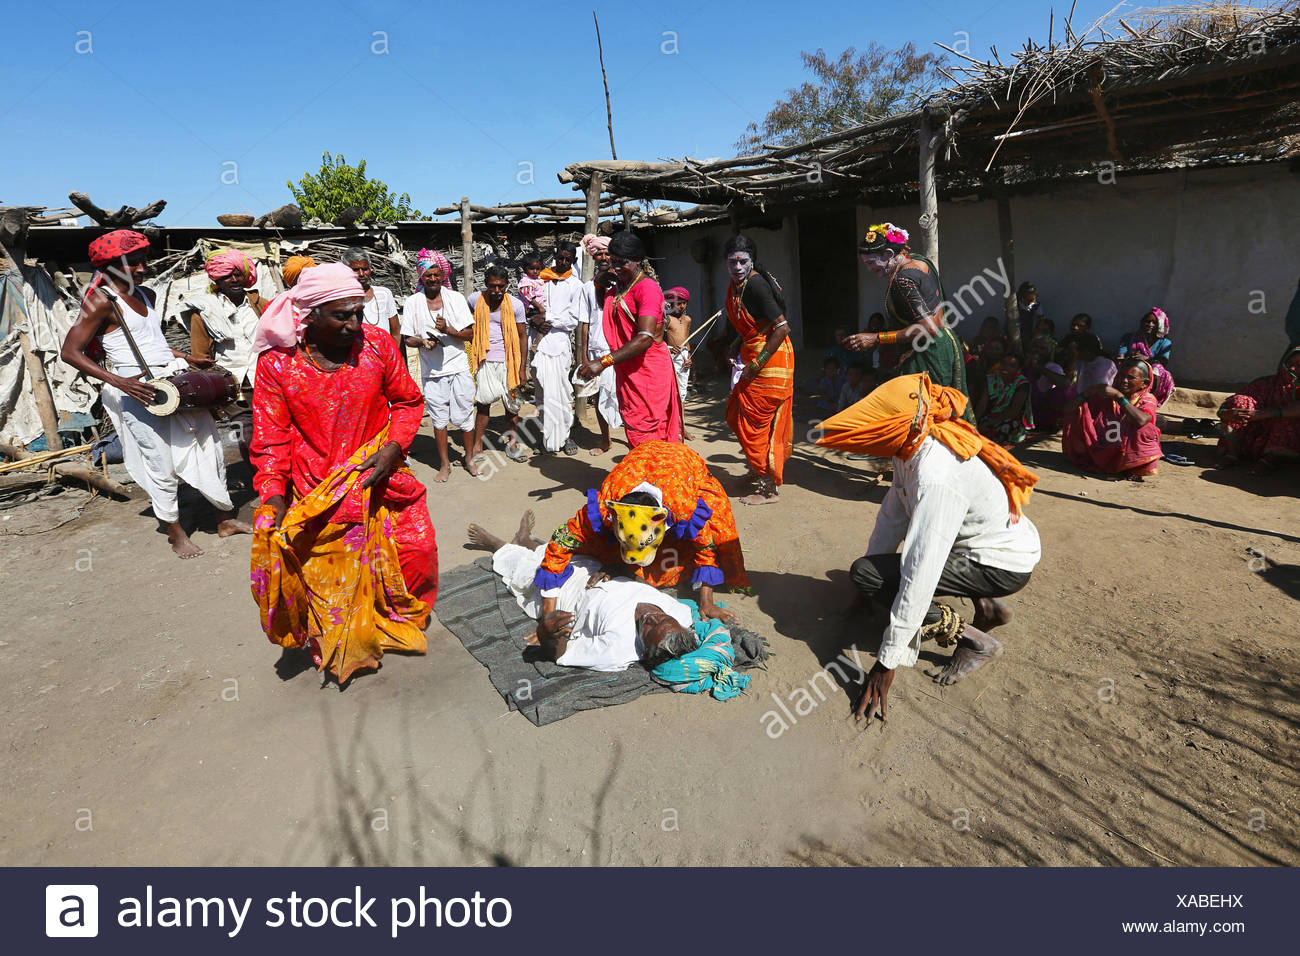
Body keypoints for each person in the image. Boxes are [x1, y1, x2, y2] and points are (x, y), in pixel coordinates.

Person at [249, 262, 435, 686]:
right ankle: (349, 649)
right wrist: (274, 493)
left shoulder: (379, 346)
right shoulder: (277, 365)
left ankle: (388, 621)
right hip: (320, 491)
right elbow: (270, 437)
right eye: (341, 315)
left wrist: (392, 448)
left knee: (416, 550)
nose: (355, 323)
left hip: (382, 478)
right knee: (333, 584)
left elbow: (407, 401)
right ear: (309, 317)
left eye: (358, 311)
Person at [816, 373, 1040, 722]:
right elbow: (892, 517)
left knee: (877, 576)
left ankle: (974, 640)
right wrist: (863, 594)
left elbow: (921, 567)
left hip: (1000, 564)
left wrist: (886, 662)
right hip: (981, 546)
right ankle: (988, 606)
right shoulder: (913, 444)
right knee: (869, 574)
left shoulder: (936, 474)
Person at [60, 230, 251, 559]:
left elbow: (153, 345)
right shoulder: (101, 302)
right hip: (137, 392)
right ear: (110, 266)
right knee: (160, 463)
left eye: (142, 260)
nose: (141, 267)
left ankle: (224, 519)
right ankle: (175, 534)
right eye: (132, 263)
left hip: (169, 383)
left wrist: (186, 358)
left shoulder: (146, 294)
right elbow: (70, 352)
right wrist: (121, 383)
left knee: (210, 448)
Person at [533, 440, 748, 624]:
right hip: (640, 460)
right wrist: (548, 613)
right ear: (614, 519)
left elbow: (705, 548)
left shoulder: (684, 506)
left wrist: (707, 603)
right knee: (591, 542)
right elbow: (561, 543)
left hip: (682, 465)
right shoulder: (602, 507)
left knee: (717, 521)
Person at [466, 512, 701, 672]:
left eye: (649, 628)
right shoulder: (681, 615)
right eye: (662, 618)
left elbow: (561, 655)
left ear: (644, 647)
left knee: (528, 571)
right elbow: (643, 586)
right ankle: (526, 540)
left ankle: (497, 546)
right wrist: (615, 569)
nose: (652, 616)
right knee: (561, 555)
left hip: (568, 596)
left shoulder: (617, 650)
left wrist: (548, 634)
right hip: (597, 571)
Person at [845, 222, 974, 422]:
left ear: (889, 254)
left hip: (931, 353)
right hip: (945, 343)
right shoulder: (917, 260)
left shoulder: (902, 281)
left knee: (929, 417)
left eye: (871, 262)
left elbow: (929, 328)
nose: (869, 269)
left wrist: (877, 338)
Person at [575, 231, 680, 447]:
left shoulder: (647, 289)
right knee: (634, 429)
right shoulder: (620, 286)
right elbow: (604, 307)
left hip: (648, 371)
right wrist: (598, 285)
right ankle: (642, 478)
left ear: (638, 261)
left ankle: (654, 478)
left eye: (622, 262)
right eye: (613, 261)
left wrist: (603, 362)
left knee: (650, 433)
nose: (615, 267)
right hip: (628, 368)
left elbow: (645, 338)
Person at [722, 234, 794, 505]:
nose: (737, 267)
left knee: (758, 423)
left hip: (771, 361)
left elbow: (781, 327)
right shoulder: (736, 285)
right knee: (737, 414)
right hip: (753, 354)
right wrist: (736, 342)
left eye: (742, 261)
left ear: (752, 261)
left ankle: (768, 486)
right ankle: (756, 470)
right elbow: (754, 325)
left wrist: (756, 364)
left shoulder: (756, 285)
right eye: (732, 262)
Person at [401, 252, 476, 481]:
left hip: (458, 367)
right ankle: (445, 464)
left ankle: (469, 459)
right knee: (439, 419)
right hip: (432, 372)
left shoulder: (454, 299)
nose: (433, 279)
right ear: (421, 278)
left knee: (465, 415)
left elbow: (470, 333)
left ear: (442, 275)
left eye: (436, 274)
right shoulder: (413, 302)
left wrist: (448, 331)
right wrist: (423, 342)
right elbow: (407, 339)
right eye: (428, 275)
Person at [1061, 356, 1163, 480]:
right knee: (1077, 412)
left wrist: (1119, 397)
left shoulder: (1147, 398)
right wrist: (1086, 393)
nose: (1123, 380)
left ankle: (1130, 467)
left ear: (1144, 383)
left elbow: (1141, 420)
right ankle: (1085, 456)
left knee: (1145, 429)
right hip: (1103, 442)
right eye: (1120, 375)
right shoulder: (1106, 394)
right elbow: (1067, 410)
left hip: (1123, 447)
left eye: (1130, 377)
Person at [467, 265, 529, 464]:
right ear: (485, 284)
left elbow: (521, 337)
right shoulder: (475, 300)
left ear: (506, 285)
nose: (497, 291)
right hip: (485, 360)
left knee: (513, 407)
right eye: (493, 286)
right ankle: (477, 446)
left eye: (501, 286)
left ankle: (512, 444)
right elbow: (468, 326)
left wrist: (521, 369)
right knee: (483, 404)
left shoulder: (516, 305)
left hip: (510, 362)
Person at [183, 248, 265, 390]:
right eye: (227, 276)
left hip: (262, 381)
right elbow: (200, 355)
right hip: (226, 383)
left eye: (238, 275)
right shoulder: (205, 310)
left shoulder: (260, 305)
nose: (234, 280)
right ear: (217, 280)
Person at [530, 242, 583, 456]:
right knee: (542, 390)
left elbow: (573, 319)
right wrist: (535, 320)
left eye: (567, 259)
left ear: (573, 261)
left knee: (562, 391)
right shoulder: (540, 279)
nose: (562, 262)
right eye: (560, 258)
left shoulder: (575, 285)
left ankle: (565, 435)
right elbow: (527, 304)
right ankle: (547, 436)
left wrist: (548, 318)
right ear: (555, 256)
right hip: (538, 344)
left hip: (560, 344)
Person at [1216, 345, 1300, 472]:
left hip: (1286, 439)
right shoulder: (1266, 383)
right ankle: (1231, 454)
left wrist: (1264, 414)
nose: (1292, 368)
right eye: (1290, 363)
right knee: (1240, 402)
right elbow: (1226, 407)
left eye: (1299, 365)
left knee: (1288, 418)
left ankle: (1269, 460)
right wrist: (1227, 413)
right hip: (1254, 433)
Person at [576, 234, 623, 455]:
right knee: (599, 396)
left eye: (606, 253)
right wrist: (584, 356)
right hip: (597, 349)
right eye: (599, 254)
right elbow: (584, 323)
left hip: (621, 349)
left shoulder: (623, 283)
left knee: (625, 395)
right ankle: (606, 440)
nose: (603, 257)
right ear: (593, 258)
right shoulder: (586, 288)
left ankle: (634, 439)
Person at [975, 350, 1034, 446]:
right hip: (991, 417)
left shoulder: (1022, 384)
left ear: (1018, 368)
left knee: (1004, 428)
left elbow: (1014, 411)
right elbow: (982, 404)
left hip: (1010, 419)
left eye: (1011, 365)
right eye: (1003, 363)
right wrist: (975, 422)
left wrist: (990, 422)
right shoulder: (991, 379)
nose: (1005, 368)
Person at [341, 248, 400, 342]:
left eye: (365, 269)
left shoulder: (384, 294)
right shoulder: (341, 298)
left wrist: (397, 355)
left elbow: (396, 332)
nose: (361, 274)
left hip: (386, 354)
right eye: (355, 270)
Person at [1024, 339, 1075, 433]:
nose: (1037, 350)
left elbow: (1065, 384)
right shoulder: (1024, 365)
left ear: (1049, 352)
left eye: (1042, 348)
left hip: (1043, 413)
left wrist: (1040, 368)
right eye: (1035, 346)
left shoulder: (1052, 367)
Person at [664, 286, 694, 439]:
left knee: (681, 395)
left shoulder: (687, 320)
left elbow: (687, 342)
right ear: (670, 304)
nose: (682, 306)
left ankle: (682, 428)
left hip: (683, 358)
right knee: (669, 394)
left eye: (684, 303)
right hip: (669, 357)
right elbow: (658, 341)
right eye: (678, 303)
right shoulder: (666, 319)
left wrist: (689, 357)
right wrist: (668, 350)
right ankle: (670, 428)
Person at [1011, 281, 1042, 355]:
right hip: (1013, 330)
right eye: (1028, 293)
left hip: (1027, 332)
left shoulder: (1036, 305)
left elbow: (1041, 319)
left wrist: (1037, 333)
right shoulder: (1014, 303)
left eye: (1033, 293)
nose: (1031, 296)